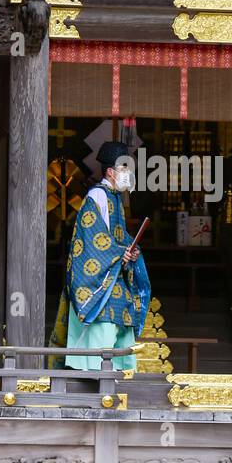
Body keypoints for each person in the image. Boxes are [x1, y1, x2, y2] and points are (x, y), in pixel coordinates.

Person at [53, 141, 151, 371]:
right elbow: (92, 237)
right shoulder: (97, 196)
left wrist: (131, 249)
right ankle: (98, 372)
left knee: (124, 314)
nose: (129, 175)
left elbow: (119, 237)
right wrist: (120, 252)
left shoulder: (115, 198)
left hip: (113, 271)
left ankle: (122, 371)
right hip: (99, 277)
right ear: (110, 171)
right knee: (109, 316)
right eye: (125, 169)